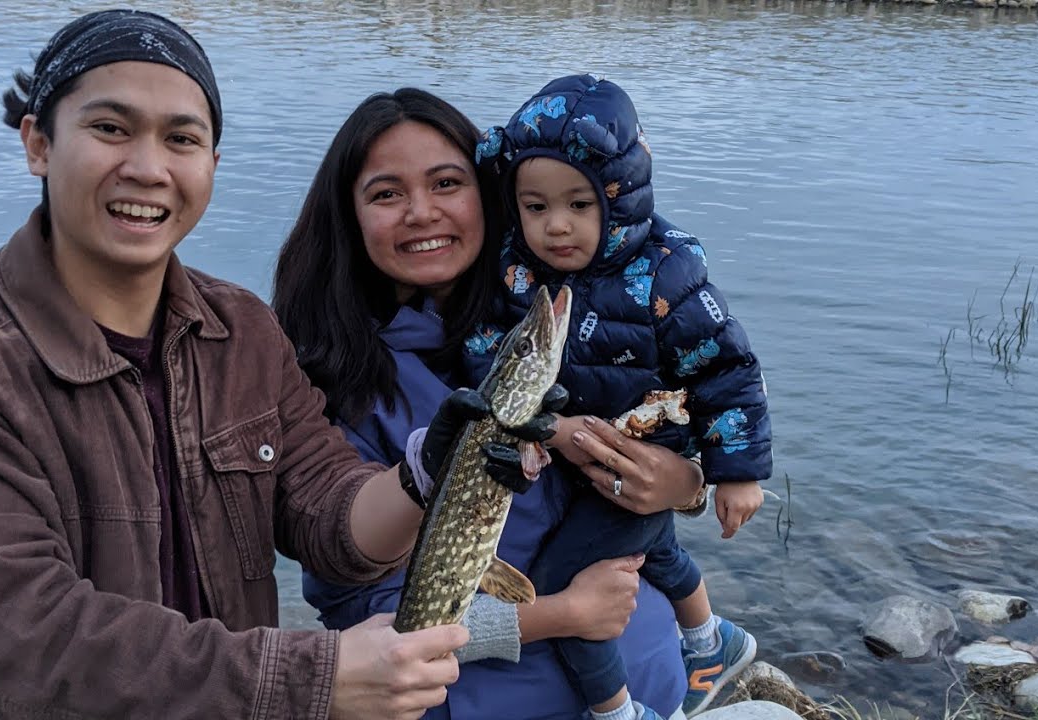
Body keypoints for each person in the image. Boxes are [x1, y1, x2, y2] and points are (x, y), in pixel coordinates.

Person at [0, 10, 559, 720]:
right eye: (111, 128)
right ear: (38, 142)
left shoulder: (242, 332)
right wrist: (313, 680)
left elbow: (327, 516)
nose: (148, 167)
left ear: (211, 166)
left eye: (181, 138)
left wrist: (425, 474)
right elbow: (20, 646)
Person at [272, 87, 714, 720]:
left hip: (649, 684)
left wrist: (682, 484)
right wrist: (559, 614)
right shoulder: (323, 383)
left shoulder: (567, 317)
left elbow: (671, 416)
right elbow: (370, 620)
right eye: (386, 193)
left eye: (447, 183)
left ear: (490, 195)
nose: (422, 212)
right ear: (349, 216)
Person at [468, 73, 773, 719]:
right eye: (535, 206)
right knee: (657, 551)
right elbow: (491, 350)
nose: (556, 226)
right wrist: (522, 424)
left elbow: (729, 372)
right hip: (580, 466)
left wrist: (735, 473)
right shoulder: (519, 271)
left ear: (621, 196)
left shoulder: (665, 272)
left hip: (636, 464)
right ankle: (711, 641)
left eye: (579, 205)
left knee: (560, 585)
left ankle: (616, 711)